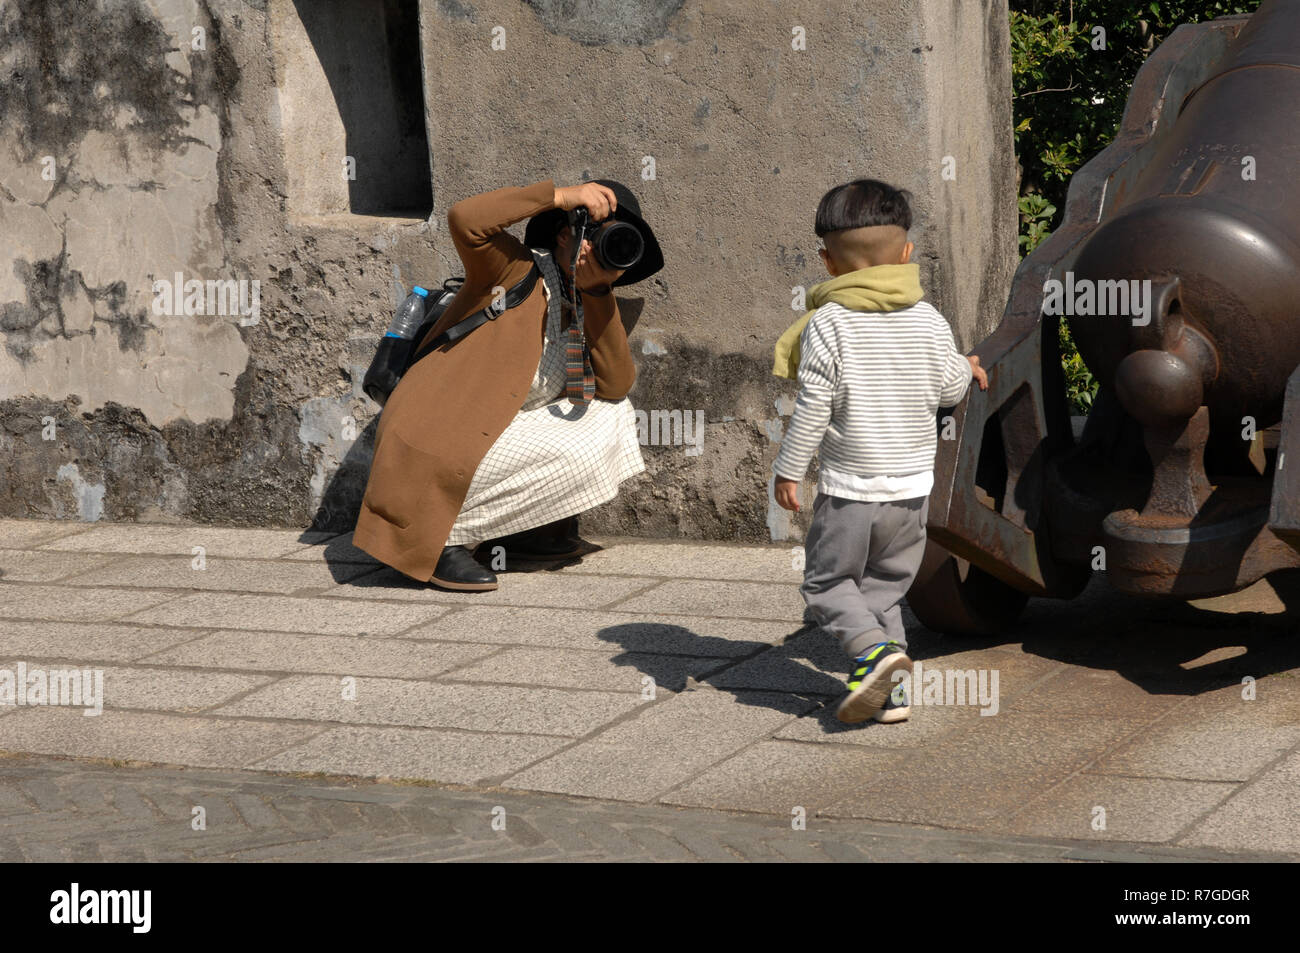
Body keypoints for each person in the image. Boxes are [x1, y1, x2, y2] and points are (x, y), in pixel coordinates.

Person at [353, 179, 664, 591]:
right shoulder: (513, 271)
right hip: (439, 439)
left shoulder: (586, 301)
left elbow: (615, 385)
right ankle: (438, 539)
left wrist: (598, 291)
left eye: (621, 241)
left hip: (487, 439)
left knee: (612, 415)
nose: (607, 246)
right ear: (565, 234)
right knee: (597, 425)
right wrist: (562, 196)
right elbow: (465, 219)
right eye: (598, 233)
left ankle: (524, 537)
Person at [771, 179, 988, 724]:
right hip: (913, 493)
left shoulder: (830, 322)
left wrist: (788, 470)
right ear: (907, 253)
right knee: (884, 592)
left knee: (825, 585)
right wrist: (968, 365)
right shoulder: (928, 319)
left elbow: (815, 407)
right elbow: (949, 389)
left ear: (828, 262)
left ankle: (873, 653)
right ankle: (892, 695)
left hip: (852, 495)